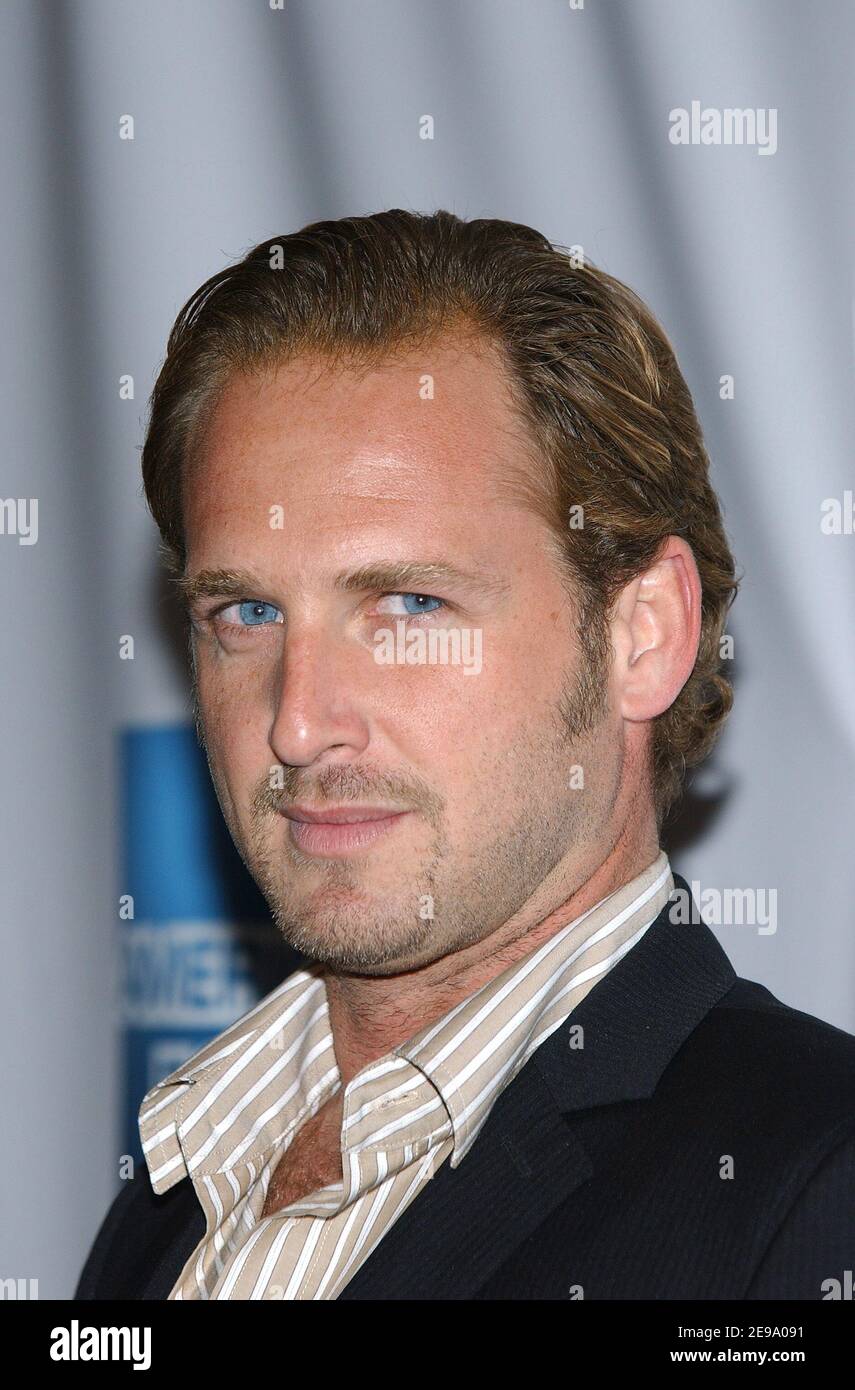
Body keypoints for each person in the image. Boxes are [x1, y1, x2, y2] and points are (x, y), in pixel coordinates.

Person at [76, 210, 855, 1300]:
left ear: (645, 634)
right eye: (247, 610)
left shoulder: (813, 1191)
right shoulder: (175, 1192)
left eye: (408, 602)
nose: (299, 723)